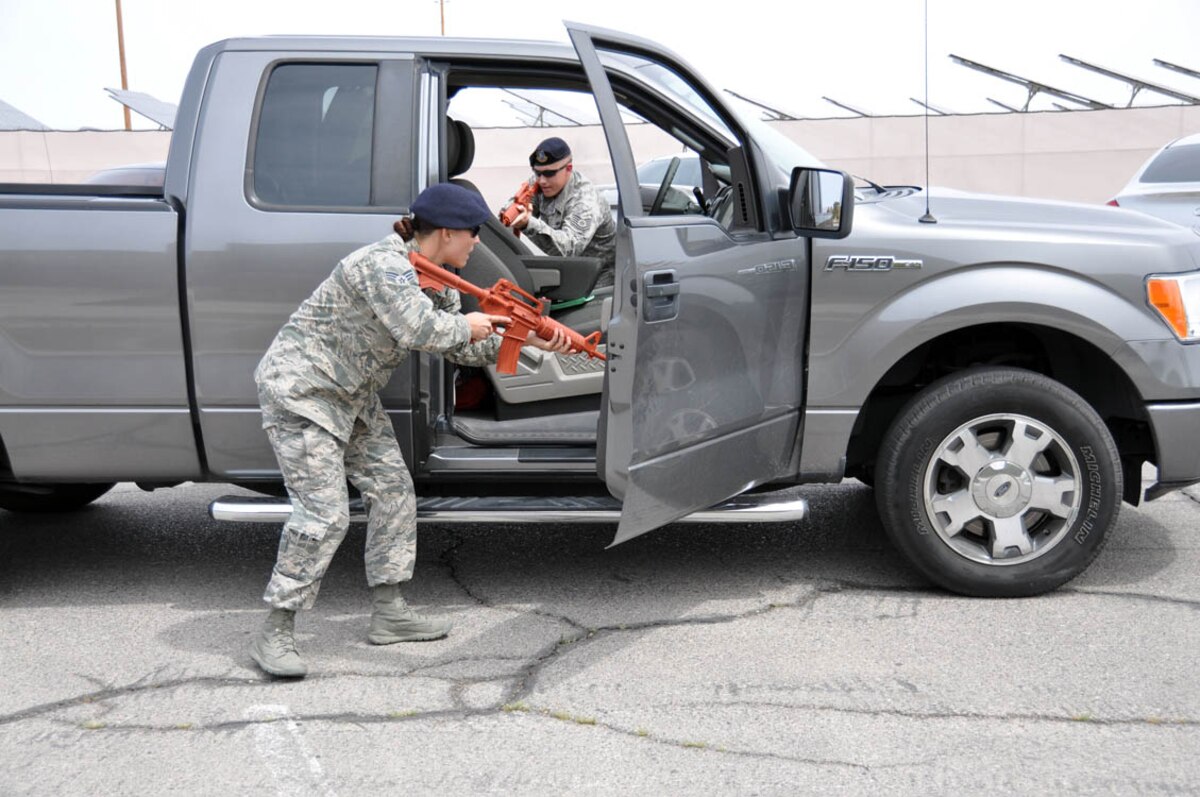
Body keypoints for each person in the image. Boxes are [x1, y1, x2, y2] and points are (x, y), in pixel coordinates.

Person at [249, 182, 570, 678]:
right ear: (445, 232)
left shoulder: (435, 277)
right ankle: (277, 628)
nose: (477, 243)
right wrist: (478, 325)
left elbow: (458, 346)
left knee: (394, 490)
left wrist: (530, 342)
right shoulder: (384, 265)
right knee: (324, 514)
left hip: (350, 394)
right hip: (304, 391)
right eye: (471, 234)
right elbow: (420, 330)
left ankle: (389, 613)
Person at [508, 136, 617, 289]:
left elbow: (568, 249)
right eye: (537, 173)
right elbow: (516, 207)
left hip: (600, 282)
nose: (542, 180)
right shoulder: (541, 181)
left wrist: (528, 224)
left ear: (569, 169)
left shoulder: (585, 201)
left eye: (549, 173)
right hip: (568, 273)